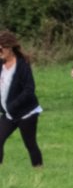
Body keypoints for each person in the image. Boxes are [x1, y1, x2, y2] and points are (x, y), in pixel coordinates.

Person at [0, 30, 41, 167]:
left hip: (26, 113)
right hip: (9, 113)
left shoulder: (22, 65)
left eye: (0, 48)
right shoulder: (1, 64)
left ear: (9, 47)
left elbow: (29, 90)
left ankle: (40, 171)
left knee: (30, 144)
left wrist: (12, 105)